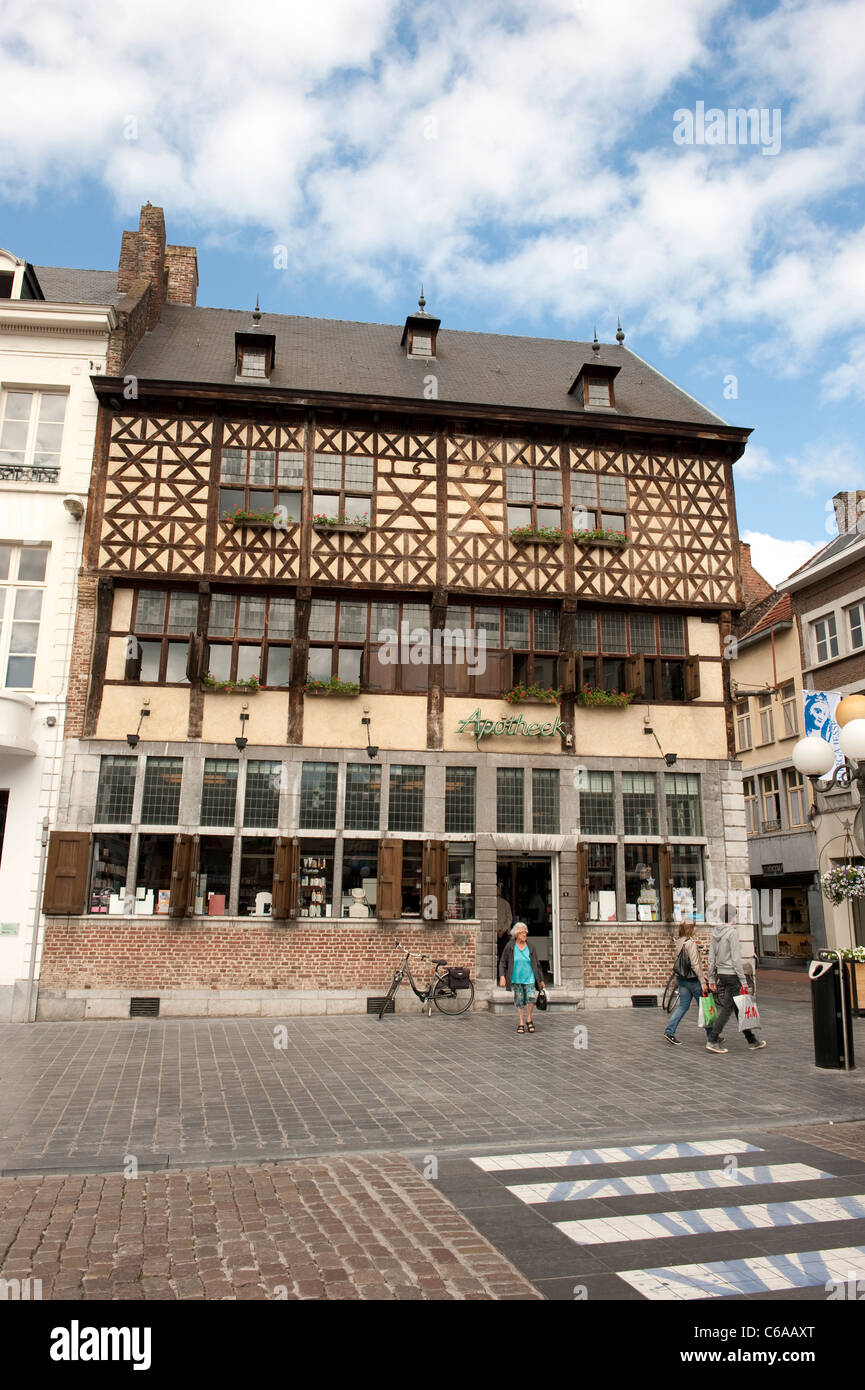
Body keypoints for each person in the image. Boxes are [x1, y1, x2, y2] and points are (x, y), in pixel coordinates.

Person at [705, 904, 766, 1054]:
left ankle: (751, 1039)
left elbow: (711, 958)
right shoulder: (732, 933)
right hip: (732, 975)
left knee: (737, 1007)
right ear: (732, 916)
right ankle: (713, 1039)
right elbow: (736, 959)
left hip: (721, 974)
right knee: (727, 1008)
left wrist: (712, 978)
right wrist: (743, 981)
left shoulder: (715, 932)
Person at [663, 921, 709, 1046]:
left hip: (682, 979)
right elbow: (694, 964)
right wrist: (702, 981)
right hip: (693, 981)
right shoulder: (691, 943)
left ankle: (669, 1031)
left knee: (683, 1006)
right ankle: (712, 1035)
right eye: (694, 927)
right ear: (690, 929)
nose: (696, 928)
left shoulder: (679, 942)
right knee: (705, 1006)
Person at [499, 922, 544, 1034]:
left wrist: (541, 979)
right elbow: (503, 962)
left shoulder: (531, 947)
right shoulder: (510, 946)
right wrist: (502, 976)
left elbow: (537, 964)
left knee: (531, 998)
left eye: (525, 932)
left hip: (530, 977)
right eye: (522, 932)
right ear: (516, 935)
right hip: (516, 978)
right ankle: (521, 1022)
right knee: (519, 1001)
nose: (525, 934)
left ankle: (529, 1019)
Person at [496, 883, 513, 964]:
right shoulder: (506, 903)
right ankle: (502, 974)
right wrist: (503, 930)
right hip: (503, 933)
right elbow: (509, 919)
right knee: (503, 955)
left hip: (492, 931)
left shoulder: (490, 903)